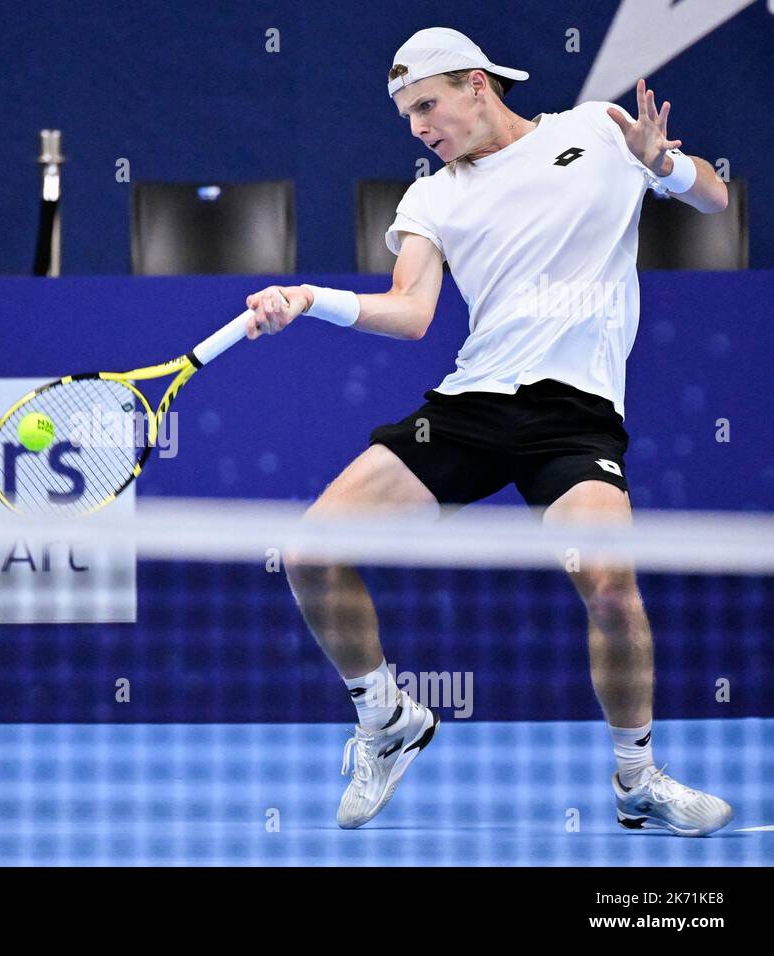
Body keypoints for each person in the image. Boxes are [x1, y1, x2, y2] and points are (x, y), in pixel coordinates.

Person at [244, 27, 733, 835]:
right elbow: (410, 315)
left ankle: (637, 777)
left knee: (611, 588)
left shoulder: (596, 132)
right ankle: (387, 720)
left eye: (426, 105)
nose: (418, 128)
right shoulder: (432, 197)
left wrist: (663, 165)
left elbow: (713, 195)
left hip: (572, 416)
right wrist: (309, 298)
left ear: (477, 84)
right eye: (406, 115)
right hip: (472, 406)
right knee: (310, 551)